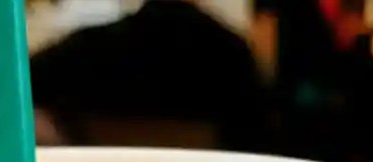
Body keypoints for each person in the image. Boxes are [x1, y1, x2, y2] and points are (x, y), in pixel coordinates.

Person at [21, 0, 271, 152]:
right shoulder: (231, 53)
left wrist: (66, 143)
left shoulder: (87, 47)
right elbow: (259, 139)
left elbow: (10, 97)